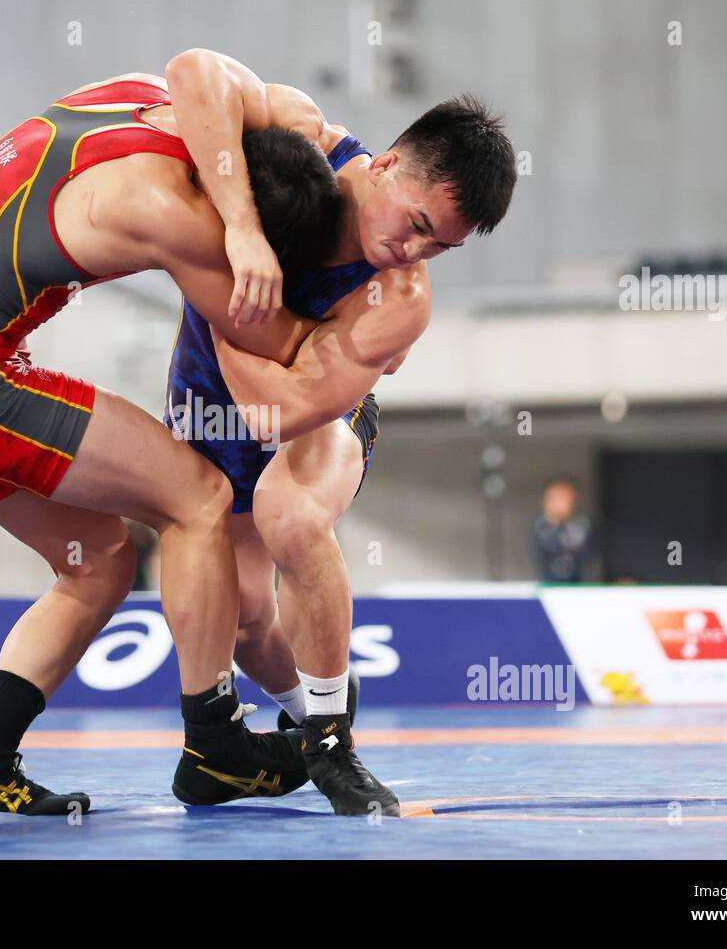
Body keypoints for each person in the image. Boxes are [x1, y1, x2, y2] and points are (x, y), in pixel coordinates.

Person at [0, 73, 347, 815]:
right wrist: (380, 322)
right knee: (199, 497)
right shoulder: (174, 213)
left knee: (96, 567)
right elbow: (285, 350)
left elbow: (243, 85)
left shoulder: (145, 94)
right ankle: (215, 743)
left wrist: (296, 177)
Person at [160, 49, 517, 815]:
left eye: (440, 247)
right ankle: (313, 709)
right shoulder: (303, 134)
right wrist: (242, 229)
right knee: (251, 620)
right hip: (205, 399)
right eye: (418, 224)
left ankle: (331, 745)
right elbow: (193, 72)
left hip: (314, 409)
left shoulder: (400, 300)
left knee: (292, 513)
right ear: (386, 165)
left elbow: (282, 412)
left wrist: (220, 306)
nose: (415, 251)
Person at [531, 476, 592, 582]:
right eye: (555, 497)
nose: (560, 502)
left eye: (565, 497)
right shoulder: (539, 525)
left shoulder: (582, 524)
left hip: (579, 587)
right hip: (546, 586)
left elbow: (586, 555)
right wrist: (555, 521)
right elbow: (543, 553)